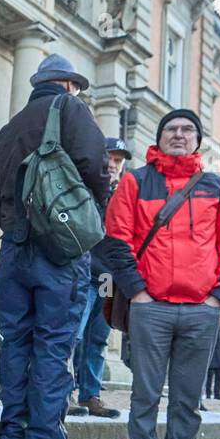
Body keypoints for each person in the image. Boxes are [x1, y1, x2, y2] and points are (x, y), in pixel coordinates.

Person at [0, 53, 109, 439]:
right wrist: (82, 215)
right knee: (54, 344)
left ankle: (12, 432)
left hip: (14, 253)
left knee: (16, 342)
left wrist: (16, 223)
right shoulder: (71, 109)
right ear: (68, 84)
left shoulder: (8, 127)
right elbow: (96, 168)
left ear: (38, 84)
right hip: (59, 254)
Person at [103, 108, 220, 439]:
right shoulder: (136, 181)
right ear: (159, 137)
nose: (179, 134)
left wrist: (218, 296)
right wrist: (138, 291)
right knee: (145, 394)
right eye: (171, 128)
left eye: (187, 129)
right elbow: (116, 239)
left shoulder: (217, 187)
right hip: (151, 305)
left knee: (188, 398)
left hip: (201, 308)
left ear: (198, 140)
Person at [71, 137, 132, 418]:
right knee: (73, 335)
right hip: (84, 272)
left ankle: (90, 396)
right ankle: (65, 393)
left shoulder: (125, 195)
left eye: (118, 160)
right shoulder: (87, 190)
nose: (113, 164)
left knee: (97, 339)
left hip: (108, 279)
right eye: (109, 157)